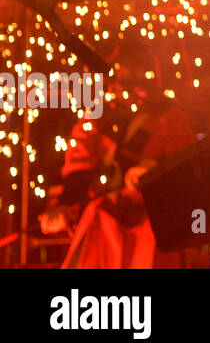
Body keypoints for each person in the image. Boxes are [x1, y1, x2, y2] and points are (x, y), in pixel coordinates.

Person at [40, 40, 194, 268]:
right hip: (102, 225)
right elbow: (78, 170)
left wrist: (152, 175)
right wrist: (65, 207)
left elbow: (186, 174)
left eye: (136, 74)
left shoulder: (170, 118)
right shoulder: (95, 118)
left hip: (150, 226)